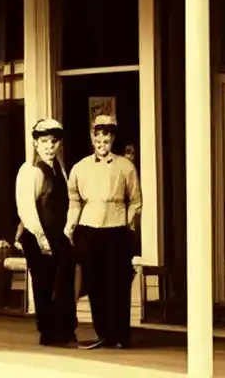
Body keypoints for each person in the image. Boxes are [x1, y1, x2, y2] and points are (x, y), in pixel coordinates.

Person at [66, 114, 141, 350]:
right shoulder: (80, 168)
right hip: (89, 228)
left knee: (117, 283)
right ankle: (103, 333)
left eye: (106, 140)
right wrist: (71, 227)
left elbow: (135, 201)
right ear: (92, 138)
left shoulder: (126, 167)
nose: (102, 145)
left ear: (113, 139)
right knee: (96, 283)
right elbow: (74, 201)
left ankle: (120, 335)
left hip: (116, 228)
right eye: (98, 140)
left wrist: (129, 227)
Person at [15, 118, 77, 347]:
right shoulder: (29, 171)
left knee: (62, 282)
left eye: (53, 142)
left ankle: (64, 329)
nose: (49, 147)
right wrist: (41, 238)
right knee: (43, 285)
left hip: (58, 234)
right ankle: (48, 332)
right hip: (37, 234)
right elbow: (27, 208)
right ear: (35, 144)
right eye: (44, 142)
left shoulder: (60, 168)